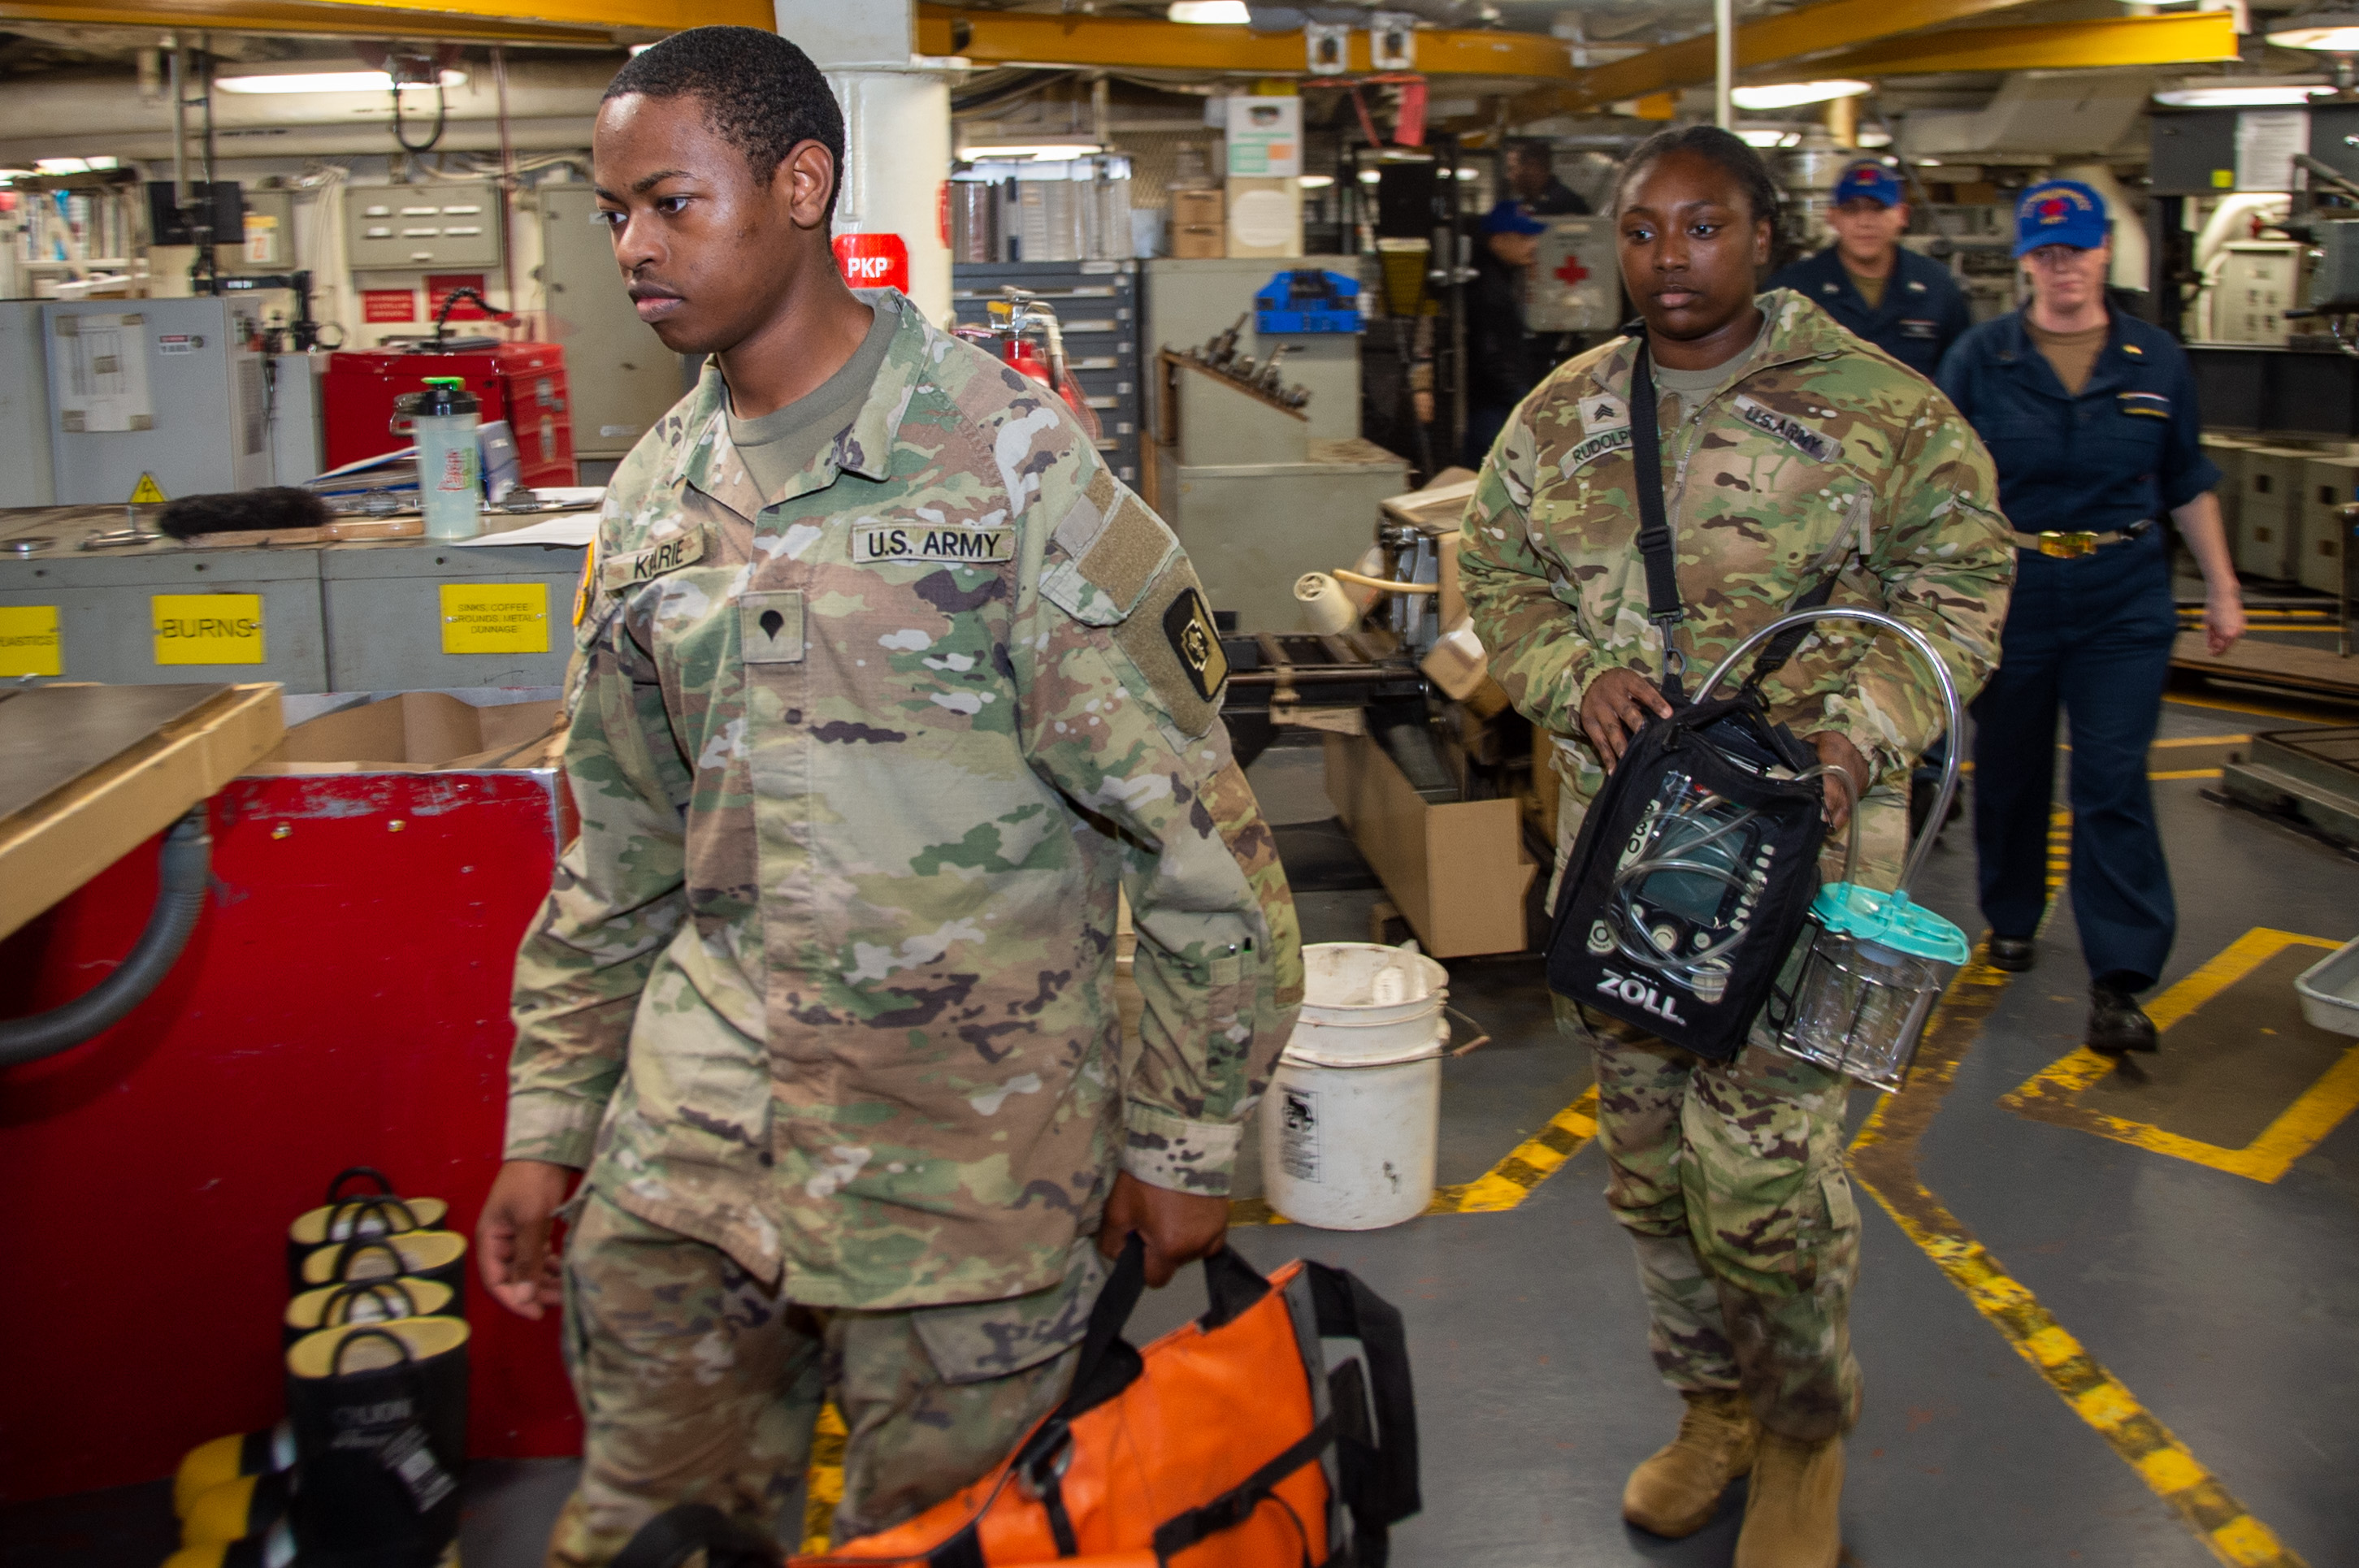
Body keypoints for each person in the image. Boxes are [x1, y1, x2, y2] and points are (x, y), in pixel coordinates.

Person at [473, 28, 1303, 1566]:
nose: (632, 248)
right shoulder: (653, 497)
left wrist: (1185, 1144)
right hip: (694, 1166)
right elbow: (619, 853)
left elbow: (1196, 842)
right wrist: (550, 1117)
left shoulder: (1008, 467)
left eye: (668, 202)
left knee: (950, 1548)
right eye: (612, 214)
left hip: (965, 1187)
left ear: (799, 186)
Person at [1460, 124, 2012, 1566]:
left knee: (1759, 1176)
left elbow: (1961, 588)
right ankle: (1710, 1408)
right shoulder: (1566, 412)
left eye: (1701, 229)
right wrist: (1569, 675)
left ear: (1765, 237)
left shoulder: (1879, 412)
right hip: (1635, 866)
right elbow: (1497, 567)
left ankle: (1800, 1434)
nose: (1668, 260)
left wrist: (1858, 728)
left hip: (1814, 865)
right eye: (1642, 232)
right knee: (1646, 1168)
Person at [1937, 180, 2244, 1054]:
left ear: (2104, 253)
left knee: (2111, 780)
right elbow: (1942, 484)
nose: (2061, 268)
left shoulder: (2154, 361)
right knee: (2009, 769)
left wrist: (2220, 587)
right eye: (2043, 252)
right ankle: (2011, 912)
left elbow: (2185, 479)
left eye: (2075, 250)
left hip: (2123, 593)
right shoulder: (1978, 358)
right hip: (2017, 588)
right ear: (2023, 261)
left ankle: (2120, 977)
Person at [1765, 159, 1971, 380]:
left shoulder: (1937, 287)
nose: (1865, 222)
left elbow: (1960, 379)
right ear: (1832, 216)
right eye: (1851, 210)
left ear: (1902, 215)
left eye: (1878, 209)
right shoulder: (1793, 290)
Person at [1463, 199, 1551, 468]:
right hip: (1492, 409)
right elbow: (1493, 354)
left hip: (1494, 404)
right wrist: (1523, 399)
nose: (1533, 244)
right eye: (1524, 237)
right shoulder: (1487, 288)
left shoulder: (1497, 278)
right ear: (1499, 240)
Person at [1506, 137, 1591, 216]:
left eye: (1512, 169)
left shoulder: (1562, 204)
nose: (1509, 176)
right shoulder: (1526, 202)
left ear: (1533, 166)